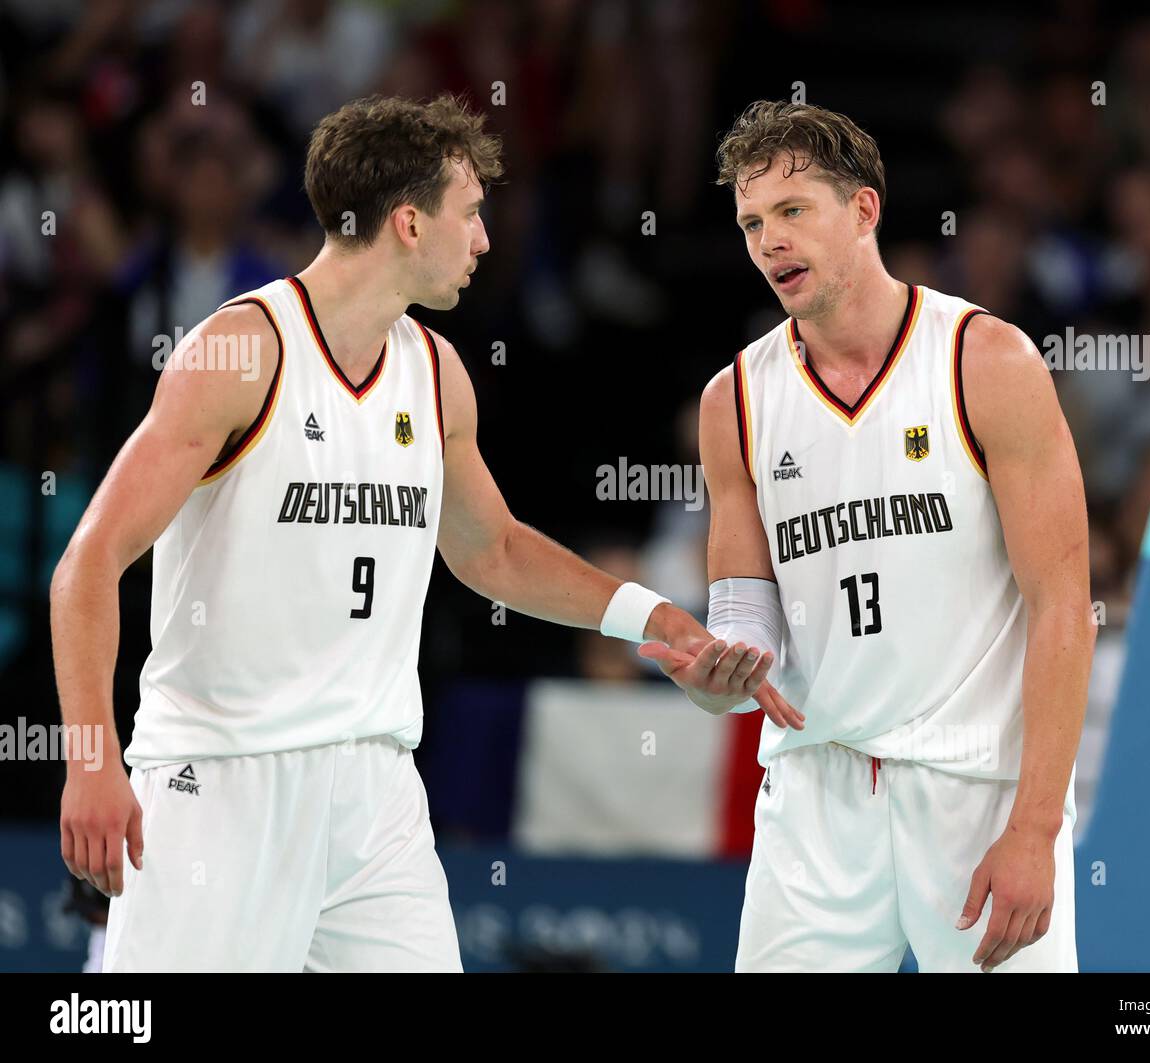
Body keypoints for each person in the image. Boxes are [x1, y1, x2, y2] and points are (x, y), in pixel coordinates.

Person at [49, 93, 803, 973]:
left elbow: (493, 550)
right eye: (470, 213)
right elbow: (89, 561)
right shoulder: (241, 352)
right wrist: (92, 761)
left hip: (375, 790)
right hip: (223, 777)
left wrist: (653, 617)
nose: (484, 239)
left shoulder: (436, 372)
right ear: (408, 222)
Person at [644, 101, 1093, 972]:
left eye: (791, 211)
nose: (767, 240)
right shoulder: (731, 402)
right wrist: (715, 675)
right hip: (816, 796)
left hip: (975, 789)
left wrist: (1036, 826)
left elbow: (1064, 609)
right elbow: (746, 627)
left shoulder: (984, 360)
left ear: (863, 210)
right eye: (749, 223)